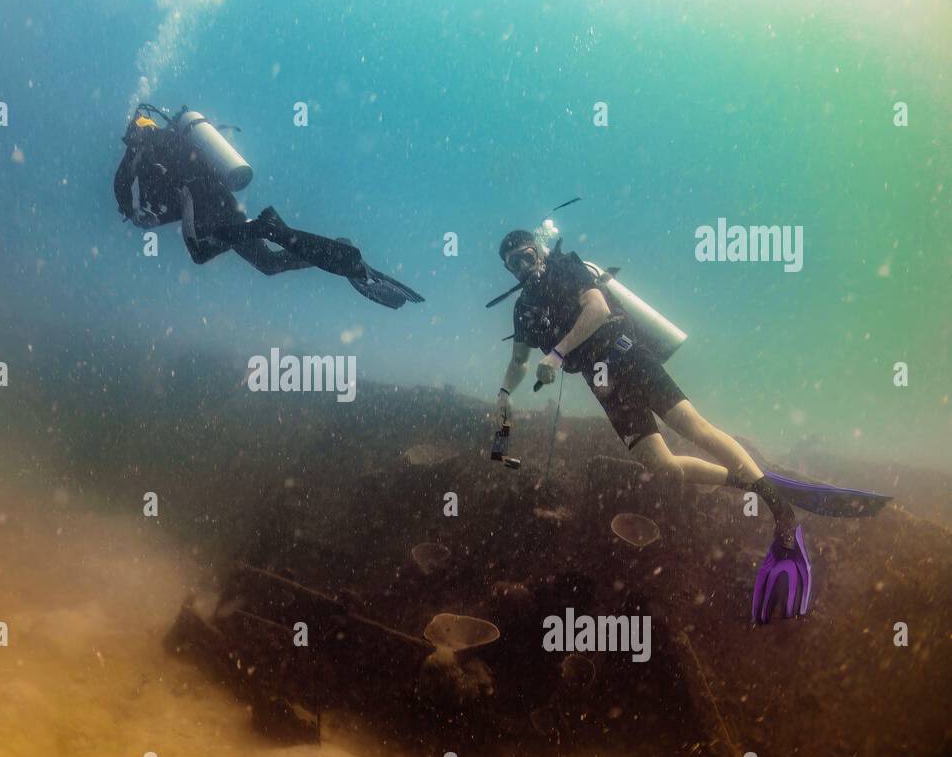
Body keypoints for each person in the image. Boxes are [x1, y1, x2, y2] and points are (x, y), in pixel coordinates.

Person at [491, 228, 888, 624]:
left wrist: (558, 355)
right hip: (604, 385)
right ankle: (756, 481)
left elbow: (596, 309)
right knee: (662, 466)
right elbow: (520, 361)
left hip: (628, 357)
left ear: (539, 250)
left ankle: (781, 511)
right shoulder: (524, 308)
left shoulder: (564, 269)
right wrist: (505, 393)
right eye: (513, 264)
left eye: (526, 256)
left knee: (694, 428)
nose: (522, 267)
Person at [113, 105, 424, 309]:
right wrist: (143, 214)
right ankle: (338, 250)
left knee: (199, 253)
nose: (129, 144)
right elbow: (142, 192)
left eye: (132, 138)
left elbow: (152, 190)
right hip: (223, 207)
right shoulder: (160, 146)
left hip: (208, 207)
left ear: (137, 131)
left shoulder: (150, 151)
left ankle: (267, 227)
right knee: (269, 264)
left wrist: (136, 213)